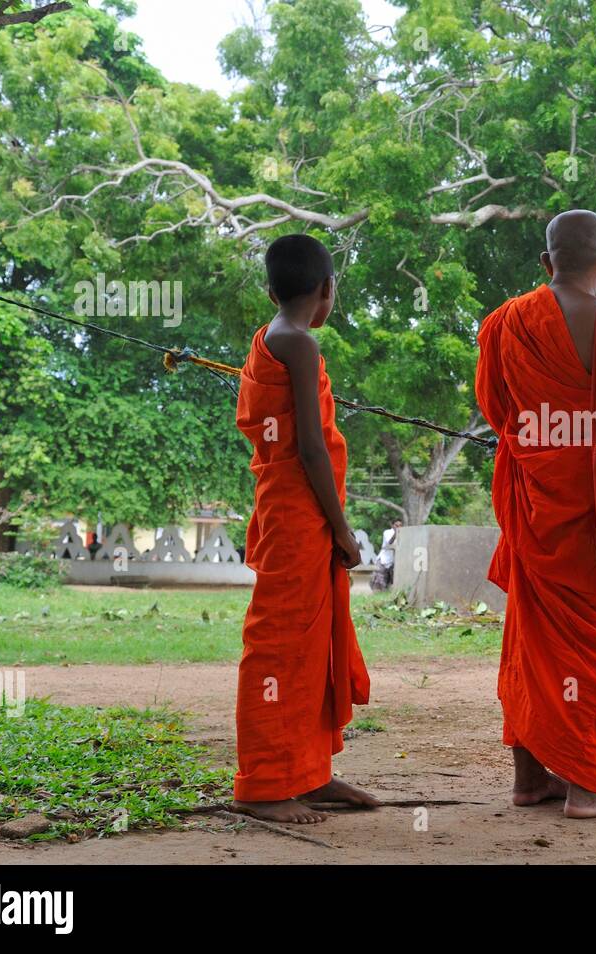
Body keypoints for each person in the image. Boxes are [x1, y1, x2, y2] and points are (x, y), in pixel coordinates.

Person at [475, 209, 596, 818]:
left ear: (545, 263)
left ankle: (530, 780)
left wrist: (545, 457)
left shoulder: (505, 324)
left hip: (535, 508)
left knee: (532, 642)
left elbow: (501, 415)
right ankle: (590, 788)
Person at [232, 233, 380, 824]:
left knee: (309, 647)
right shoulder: (301, 346)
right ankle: (263, 786)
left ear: (271, 290)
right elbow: (311, 449)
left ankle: (309, 774)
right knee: (281, 646)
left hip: (288, 511)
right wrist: (343, 530)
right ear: (327, 291)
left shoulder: (268, 338)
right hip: (300, 515)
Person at [370, 518, 402, 591]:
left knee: (392, 581)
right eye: (396, 525)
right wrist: (396, 533)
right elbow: (390, 542)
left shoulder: (402, 534)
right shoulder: (387, 532)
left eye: (400, 526)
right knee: (379, 581)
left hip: (394, 560)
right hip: (384, 559)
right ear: (392, 525)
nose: (398, 527)